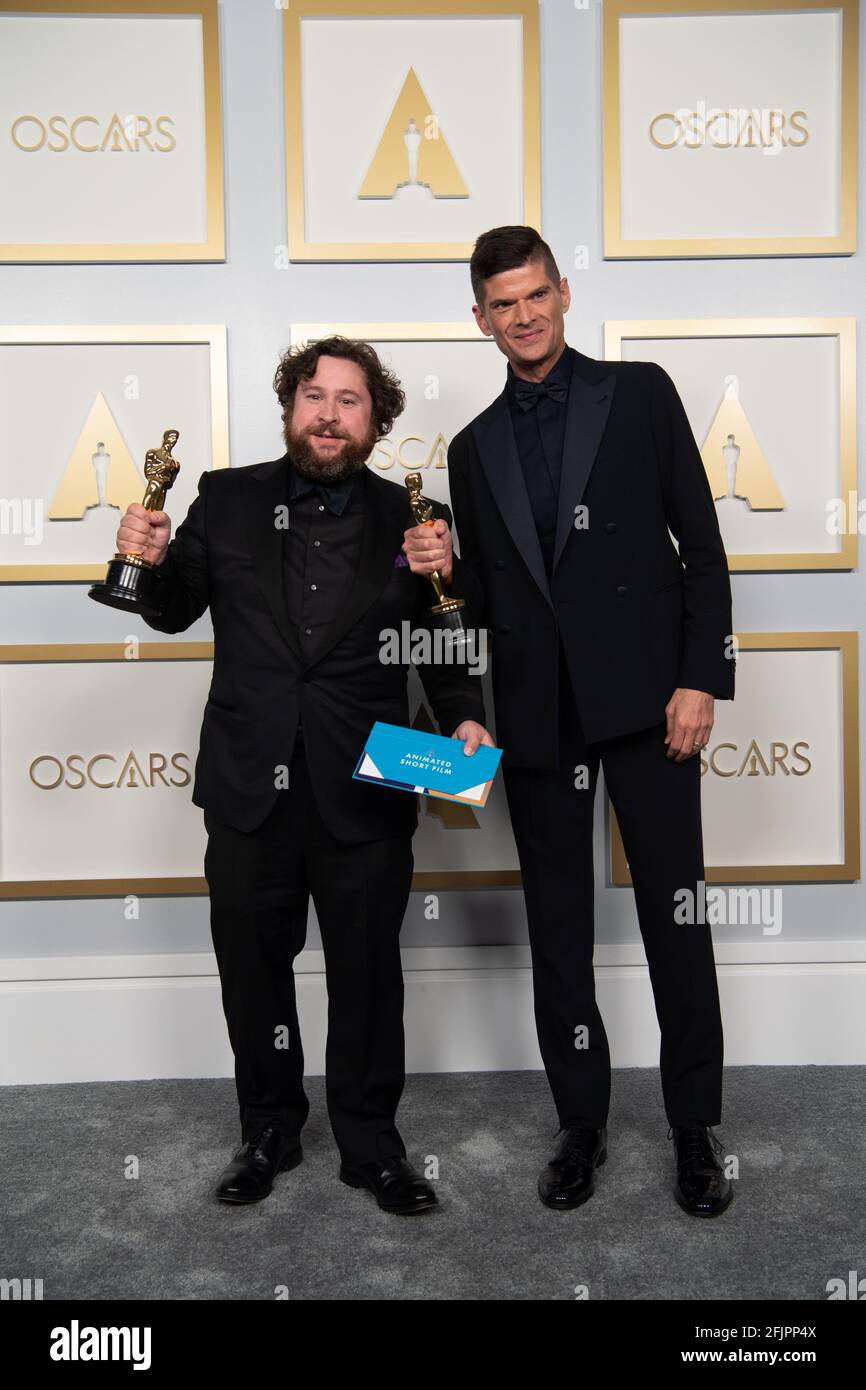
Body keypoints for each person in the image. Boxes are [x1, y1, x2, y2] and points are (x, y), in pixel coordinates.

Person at [115, 336, 491, 1215]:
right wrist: (148, 558)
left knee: (366, 972)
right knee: (254, 970)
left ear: (376, 419)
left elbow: (438, 633)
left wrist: (465, 709)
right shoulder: (226, 498)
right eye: (313, 396)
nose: (328, 413)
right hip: (250, 783)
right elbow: (170, 614)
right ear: (290, 407)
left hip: (367, 781)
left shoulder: (414, 517)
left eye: (349, 400)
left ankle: (371, 1144)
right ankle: (268, 1131)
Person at [404, 226, 736, 1217]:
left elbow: (702, 548)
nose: (523, 315)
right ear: (480, 319)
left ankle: (691, 1129)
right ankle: (579, 1124)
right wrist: (431, 576)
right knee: (558, 936)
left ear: (561, 290)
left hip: (649, 706)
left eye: (535, 294)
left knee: (674, 920)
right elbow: (478, 601)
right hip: (542, 723)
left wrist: (697, 678)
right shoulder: (467, 450)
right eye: (501, 304)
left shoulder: (638, 393)